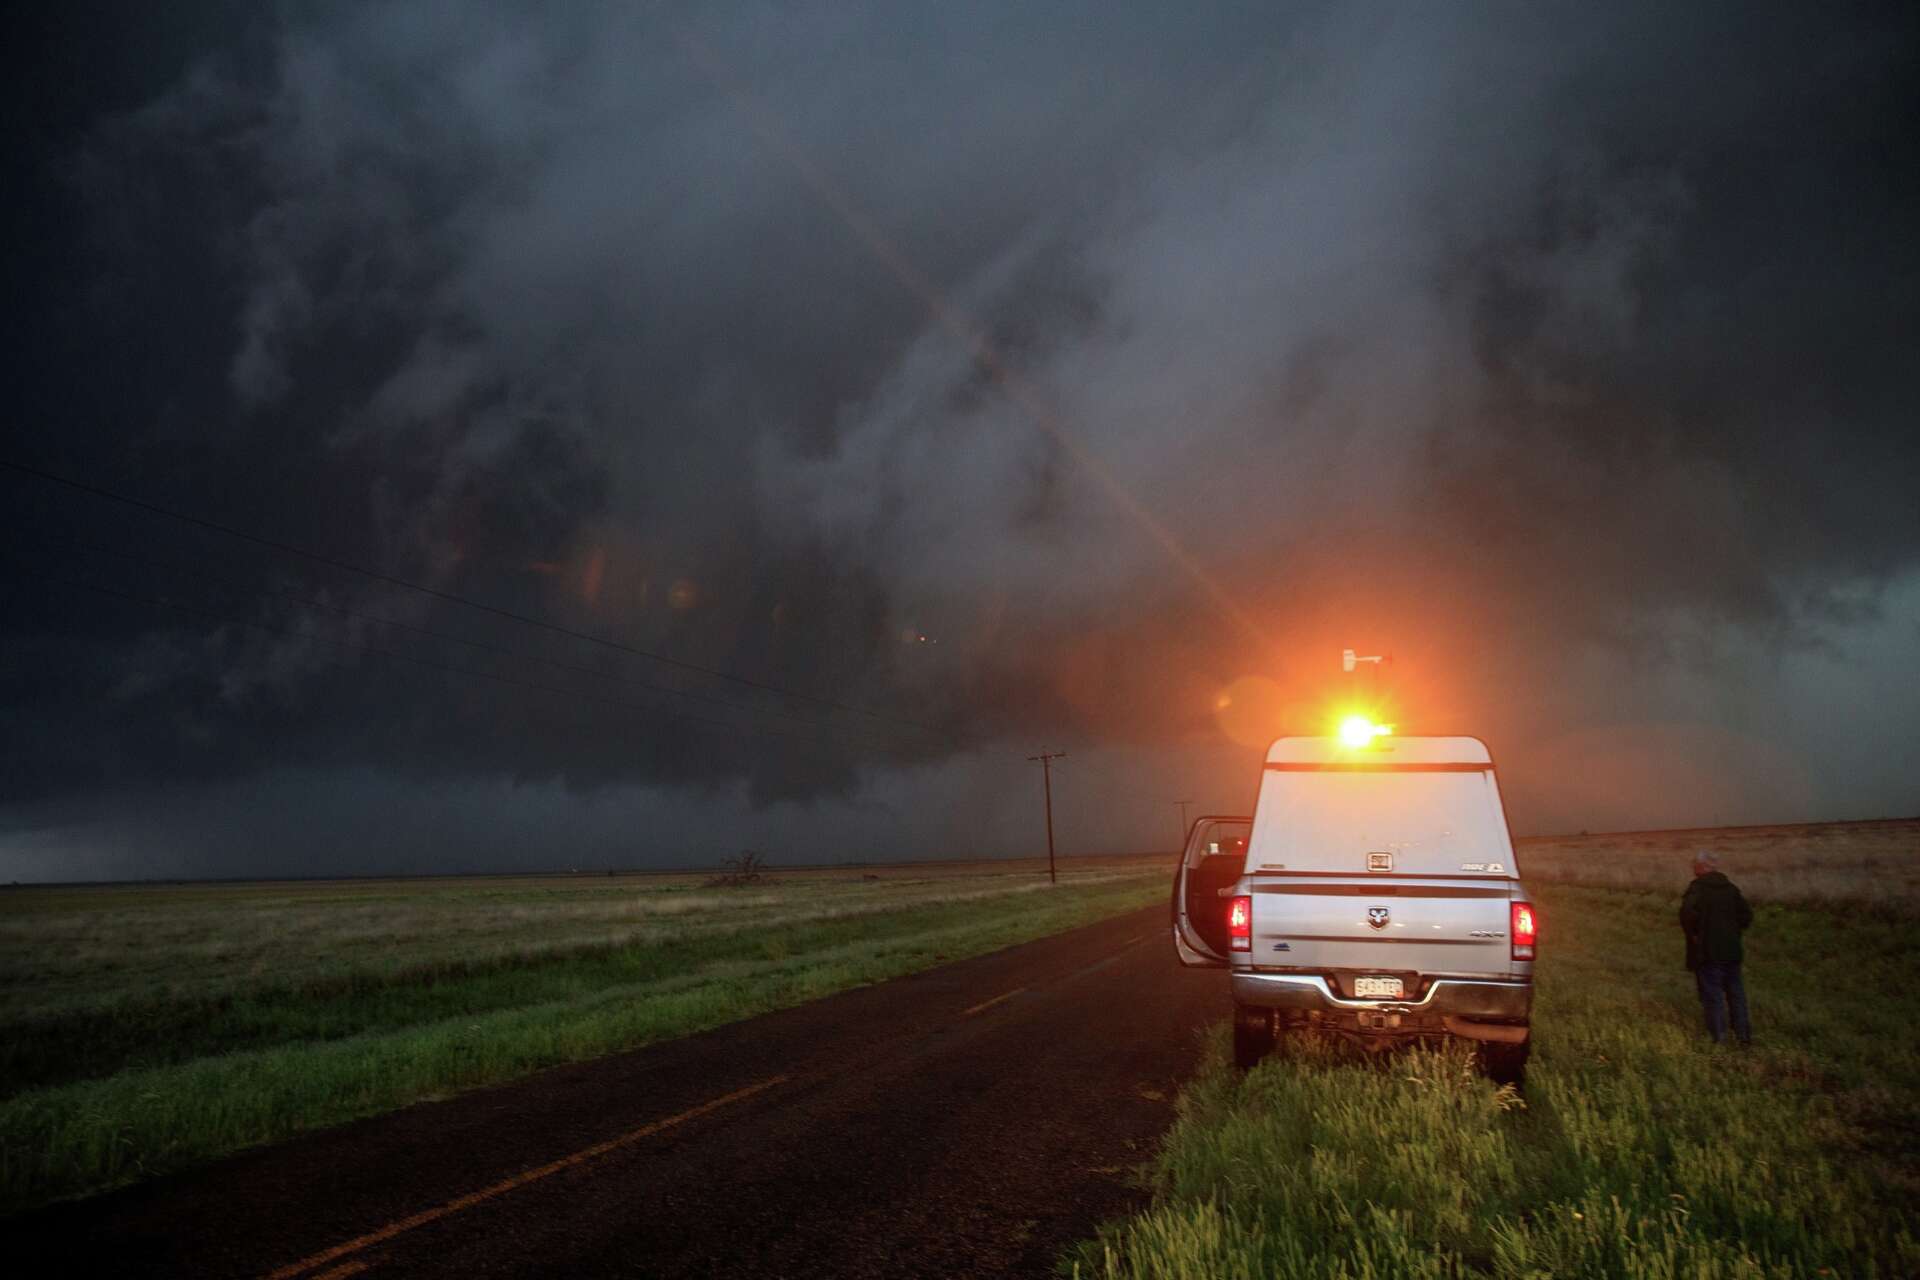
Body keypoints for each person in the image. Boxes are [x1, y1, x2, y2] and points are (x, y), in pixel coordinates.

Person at [1680, 851, 1754, 1046]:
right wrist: (1733, 931)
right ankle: (1743, 1035)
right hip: (1732, 950)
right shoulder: (1731, 888)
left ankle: (1719, 1038)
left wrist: (1696, 935)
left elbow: (1687, 916)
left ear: (1702, 867)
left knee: (1713, 996)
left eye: (1694, 866)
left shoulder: (1697, 889)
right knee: (1736, 994)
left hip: (1708, 952)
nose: (1693, 870)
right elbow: (1746, 915)